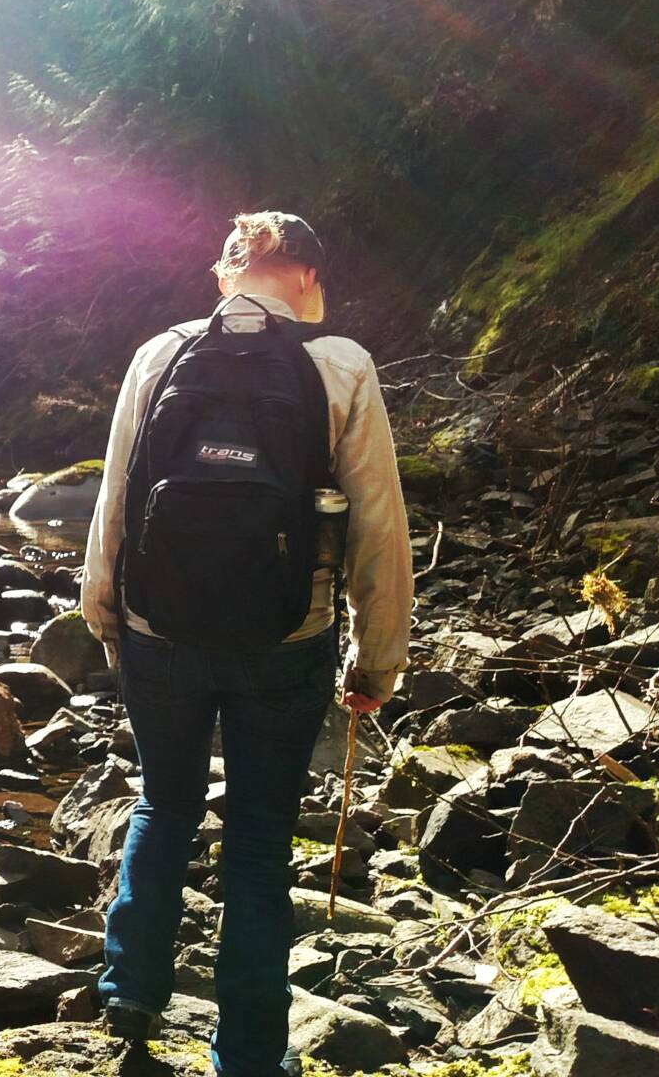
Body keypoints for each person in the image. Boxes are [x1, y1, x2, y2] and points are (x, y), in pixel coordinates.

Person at [80, 211, 412, 1077]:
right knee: (261, 841)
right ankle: (251, 1054)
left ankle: (132, 992)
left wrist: (106, 616)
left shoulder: (159, 356)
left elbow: (116, 497)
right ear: (307, 277)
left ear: (226, 276)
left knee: (164, 802)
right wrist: (375, 661)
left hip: (161, 630)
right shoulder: (341, 366)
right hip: (287, 636)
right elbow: (379, 527)